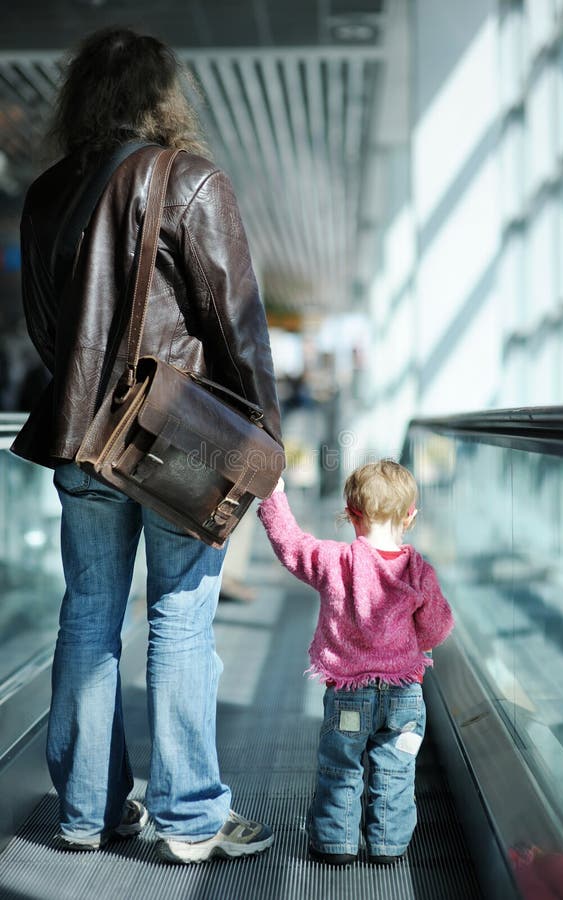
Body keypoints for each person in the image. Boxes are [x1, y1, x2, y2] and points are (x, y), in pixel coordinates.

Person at [11, 27, 282, 864]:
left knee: (88, 616)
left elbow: (47, 328)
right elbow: (234, 323)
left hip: (80, 437)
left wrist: (90, 397)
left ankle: (87, 810)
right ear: (165, 94)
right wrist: (263, 437)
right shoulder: (190, 181)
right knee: (181, 620)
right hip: (177, 441)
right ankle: (192, 818)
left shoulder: (49, 192)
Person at [257, 459, 453, 866]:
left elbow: (291, 545)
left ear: (350, 515)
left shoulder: (335, 560)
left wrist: (273, 496)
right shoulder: (419, 570)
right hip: (404, 697)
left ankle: (336, 843)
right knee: (396, 771)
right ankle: (388, 844)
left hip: (348, 696)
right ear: (410, 516)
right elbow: (436, 628)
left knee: (340, 767)